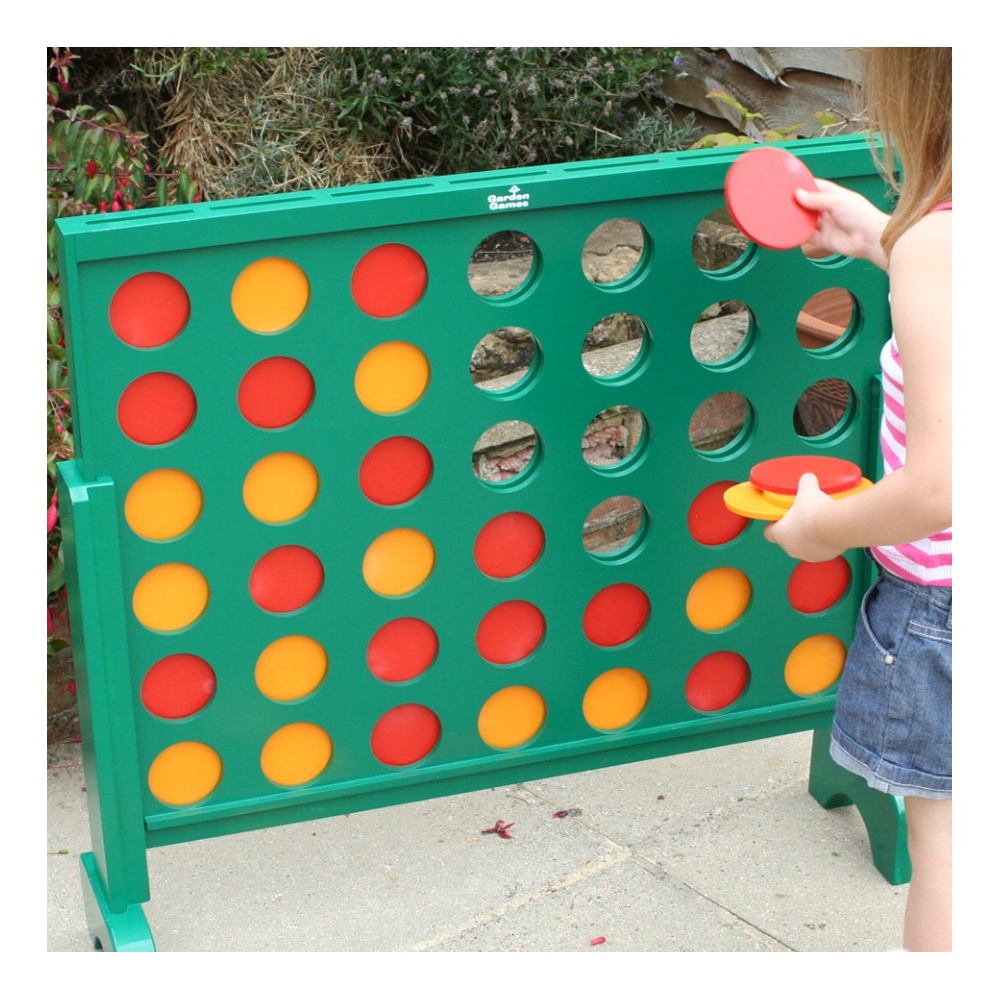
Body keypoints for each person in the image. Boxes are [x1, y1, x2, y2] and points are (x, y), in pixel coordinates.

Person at [764, 47, 952, 952]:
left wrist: (821, 528)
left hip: (946, 615)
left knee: (953, 861)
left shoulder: (943, 247)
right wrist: (882, 237)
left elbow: (938, 489)